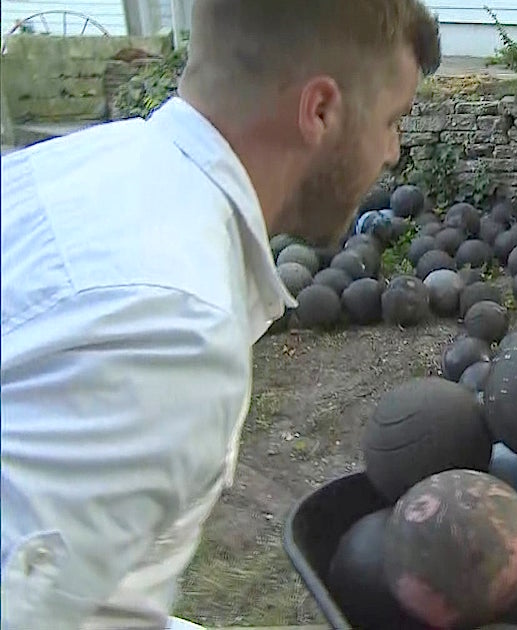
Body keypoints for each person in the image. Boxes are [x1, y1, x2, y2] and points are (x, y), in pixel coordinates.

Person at [0, 1, 440, 628]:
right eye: (393, 121)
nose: (393, 152)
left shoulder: (75, 166)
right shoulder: (169, 330)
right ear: (320, 111)